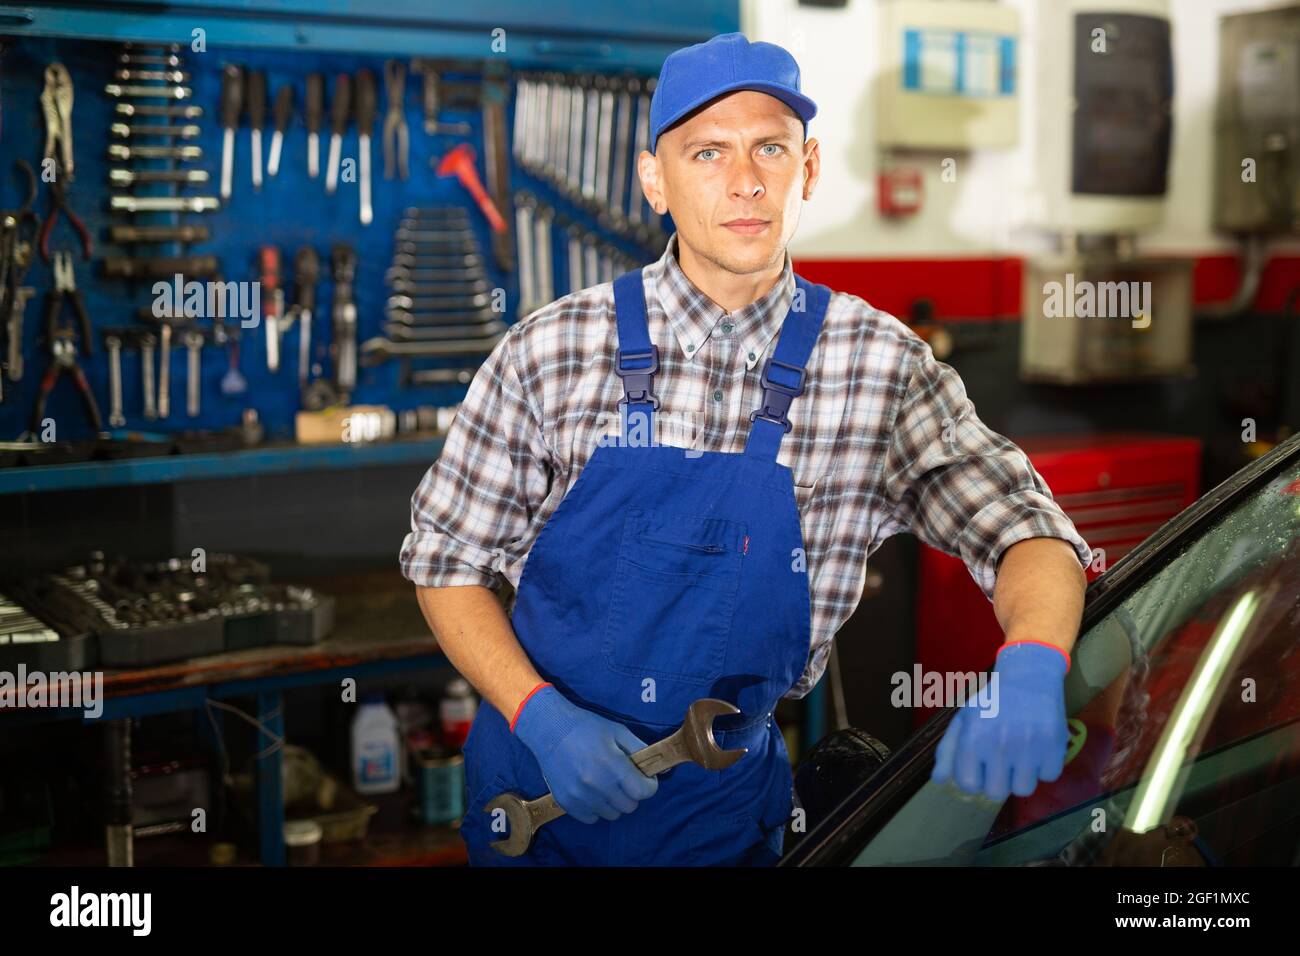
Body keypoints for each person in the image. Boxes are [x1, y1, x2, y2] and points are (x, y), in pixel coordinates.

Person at [400, 32, 1091, 866]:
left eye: (771, 146)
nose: (745, 180)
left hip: (722, 811)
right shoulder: (549, 352)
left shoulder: (880, 368)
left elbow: (1025, 528)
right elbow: (445, 561)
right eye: (706, 152)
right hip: (539, 802)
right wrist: (541, 716)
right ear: (654, 179)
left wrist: (1033, 664)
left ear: (809, 169)